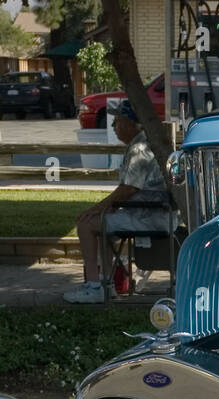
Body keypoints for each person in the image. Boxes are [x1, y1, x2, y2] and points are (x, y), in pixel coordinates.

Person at [63, 101, 166, 304]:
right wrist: (105, 208)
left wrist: (97, 208)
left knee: (85, 224)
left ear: (130, 123)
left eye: (117, 121)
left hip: (147, 215)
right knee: (101, 224)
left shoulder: (139, 149)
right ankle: (106, 284)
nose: (113, 126)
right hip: (148, 212)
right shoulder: (141, 145)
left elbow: (128, 189)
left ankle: (94, 286)